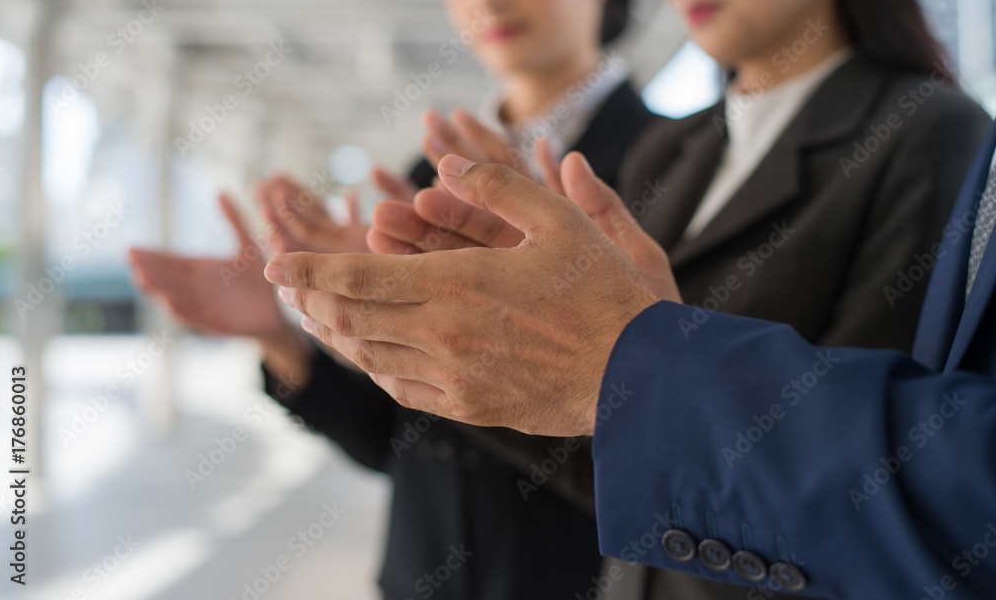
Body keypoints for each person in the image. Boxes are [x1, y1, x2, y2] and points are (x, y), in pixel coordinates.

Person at [366, 0, 991, 594]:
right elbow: (624, 467)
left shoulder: (930, 134)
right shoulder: (671, 150)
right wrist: (509, 342)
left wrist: (621, 366)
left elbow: (862, 473)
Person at [266, 113, 996, 597]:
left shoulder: (924, 132)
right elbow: (406, 443)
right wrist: (298, 346)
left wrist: (635, 362)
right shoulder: (685, 150)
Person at [129, 0, 658, 596]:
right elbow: (400, 441)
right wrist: (280, 337)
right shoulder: (427, 177)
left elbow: (685, 450)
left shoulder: (675, 162)